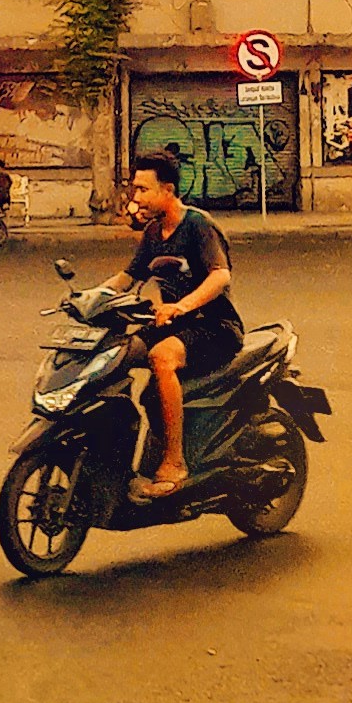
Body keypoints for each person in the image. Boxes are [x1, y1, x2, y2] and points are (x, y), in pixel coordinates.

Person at [122, 149, 243, 497]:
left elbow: (220, 276)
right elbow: (128, 276)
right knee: (116, 352)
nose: (136, 198)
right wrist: (88, 299)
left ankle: (175, 461)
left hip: (215, 328)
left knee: (162, 359)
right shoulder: (153, 233)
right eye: (136, 189)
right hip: (175, 325)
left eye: (143, 190)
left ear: (168, 190)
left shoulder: (197, 226)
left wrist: (181, 306)